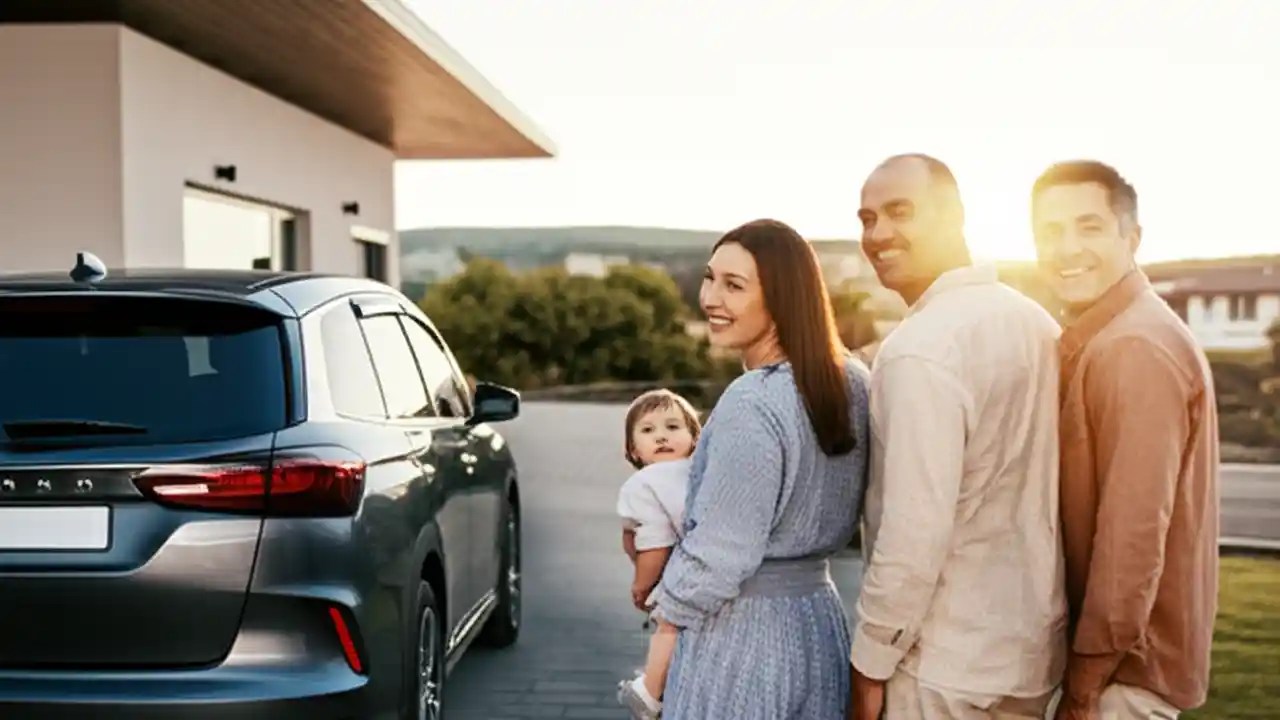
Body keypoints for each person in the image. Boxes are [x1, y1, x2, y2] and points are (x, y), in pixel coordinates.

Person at [849, 154, 1067, 720]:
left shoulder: (919, 350)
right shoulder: (1038, 324)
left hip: (940, 672)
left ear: (956, 216)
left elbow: (913, 529)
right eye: (867, 218)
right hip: (1032, 661)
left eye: (900, 212)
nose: (878, 234)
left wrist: (868, 664)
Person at [648, 218, 870, 720]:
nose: (709, 298)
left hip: (741, 636)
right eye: (709, 278)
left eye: (734, 286)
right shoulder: (854, 381)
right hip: (819, 626)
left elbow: (721, 553)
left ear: (781, 298)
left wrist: (666, 613)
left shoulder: (753, 401)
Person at [1030, 160, 1219, 720]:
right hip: (1123, 673)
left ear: (1131, 238)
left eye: (1088, 227)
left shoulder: (1133, 347)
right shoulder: (1116, 333)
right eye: (1050, 232)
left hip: (1120, 682)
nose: (1067, 249)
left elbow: (1130, 543)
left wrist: (1084, 687)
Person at [615, 388, 702, 719]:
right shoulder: (701, 471)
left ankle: (651, 691)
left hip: (684, 569)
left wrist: (641, 584)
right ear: (632, 448)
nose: (662, 436)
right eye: (648, 430)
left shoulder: (644, 483)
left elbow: (656, 543)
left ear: (695, 437)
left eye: (673, 427)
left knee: (668, 625)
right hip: (714, 565)